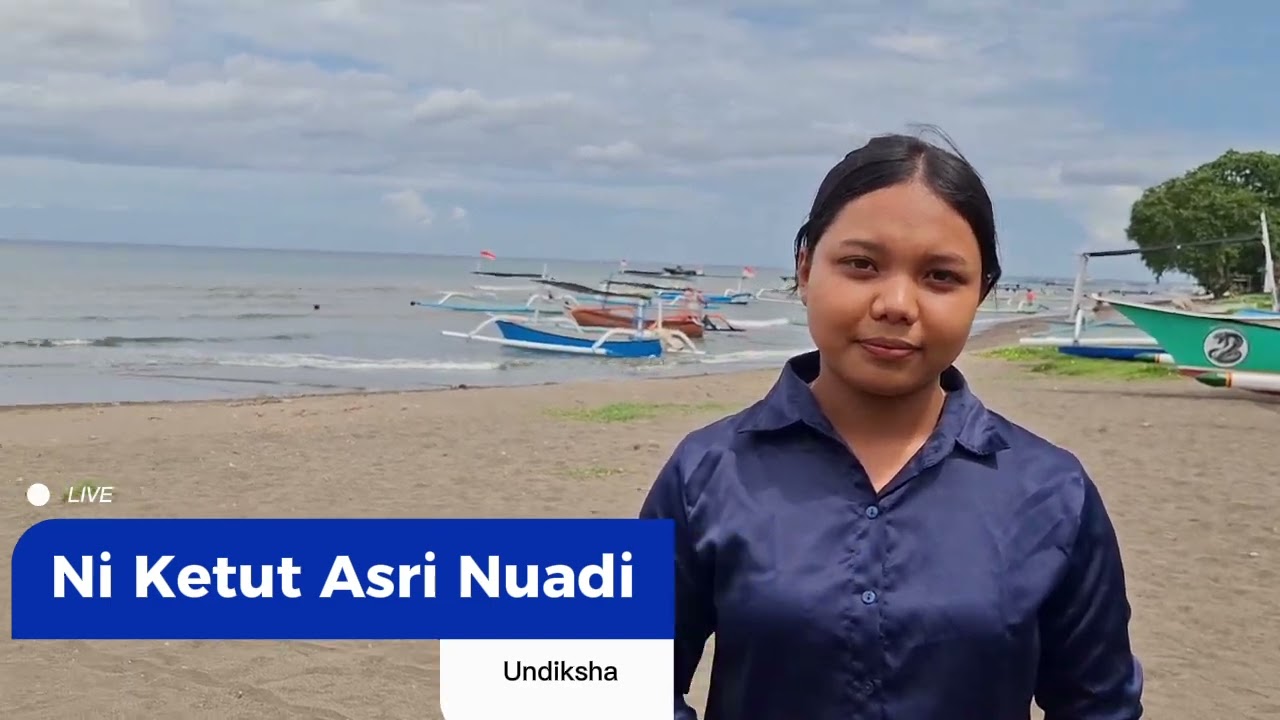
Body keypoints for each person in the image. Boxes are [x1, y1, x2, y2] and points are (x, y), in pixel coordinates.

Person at [639, 130, 1144, 719]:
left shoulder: (1053, 490)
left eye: (940, 276)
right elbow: (615, 686)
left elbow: (1100, 706)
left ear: (981, 294)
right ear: (805, 269)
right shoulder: (703, 470)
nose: (897, 304)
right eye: (861, 265)